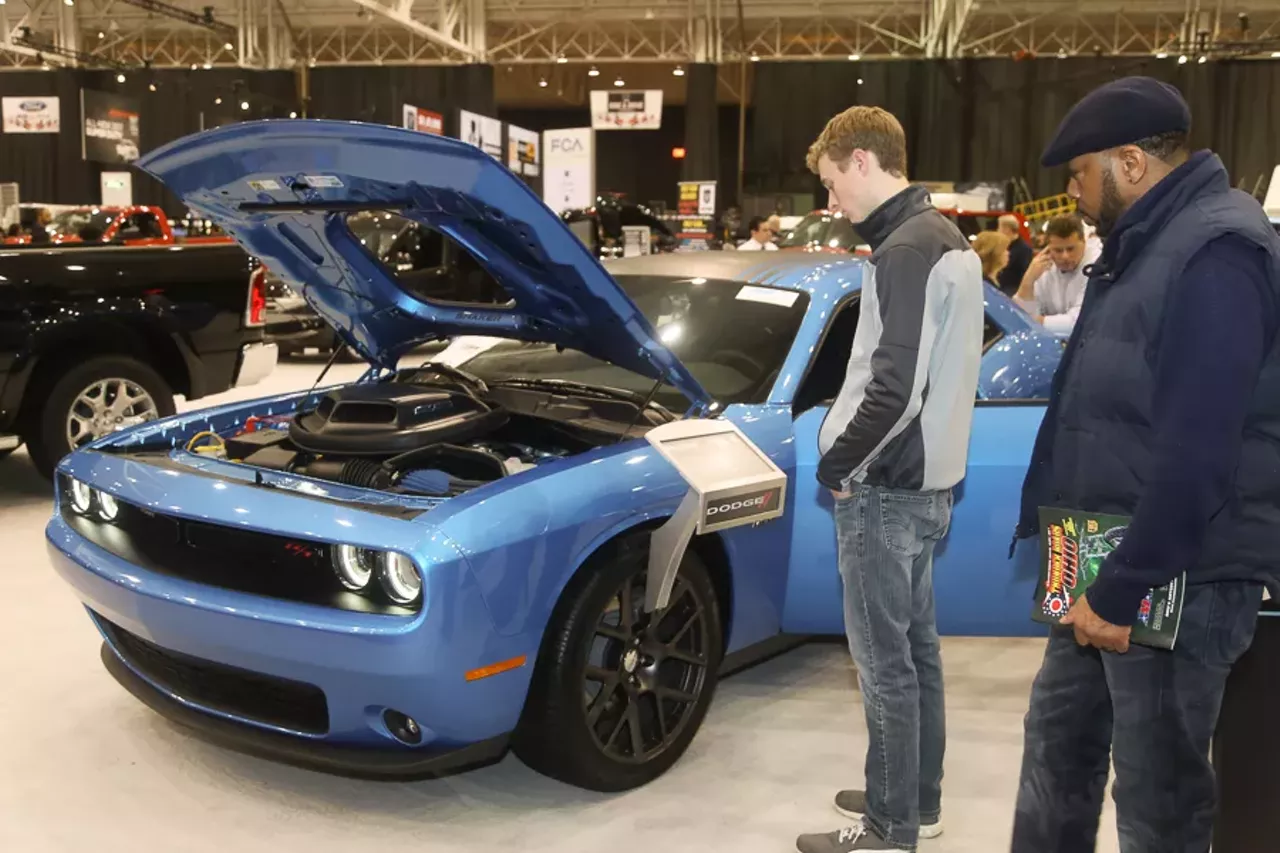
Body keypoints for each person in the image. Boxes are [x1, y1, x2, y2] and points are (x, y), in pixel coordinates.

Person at [1010, 76, 1280, 853]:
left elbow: (1199, 450)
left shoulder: (1217, 251)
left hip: (1174, 582)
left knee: (1158, 799)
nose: (1074, 195)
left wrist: (1123, 588)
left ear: (1130, 162)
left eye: (1079, 174)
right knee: (1056, 757)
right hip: (1107, 565)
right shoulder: (1143, 247)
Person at [796, 105, 984, 853]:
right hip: (929, 484)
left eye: (834, 182)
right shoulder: (942, 237)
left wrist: (837, 465)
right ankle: (913, 797)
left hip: (885, 486)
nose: (833, 201)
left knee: (885, 667)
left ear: (862, 161)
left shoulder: (904, 249)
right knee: (916, 652)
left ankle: (887, 828)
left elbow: (893, 386)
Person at [1013, 213, 1098, 336]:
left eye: (1070, 249)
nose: (1065, 256)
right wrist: (1028, 280)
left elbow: (1079, 321)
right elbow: (1019, 314)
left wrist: (1033, 322)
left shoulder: (1096, 265)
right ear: (1048, 248)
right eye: (1058, 250)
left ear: (1084, 243)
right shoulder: (1044, 265)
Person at [996, 213, 1032, 296]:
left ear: (1007, 229)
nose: (997, 230)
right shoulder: (1005, 246)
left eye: (999, 227)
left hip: (1013, 290)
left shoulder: (1023, 249)